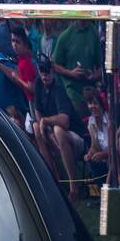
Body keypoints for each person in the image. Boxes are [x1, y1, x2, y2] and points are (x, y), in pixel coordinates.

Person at [32, 55, 86, 203]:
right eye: (42, 71)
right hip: (55, 137)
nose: (44, 75)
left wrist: (46, 121)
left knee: (58, 130)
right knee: (36, 127)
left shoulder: (58, 88)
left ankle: (74, 188)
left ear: (52, 71)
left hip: (77, 140)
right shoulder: (38, 84)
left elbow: (65, 121)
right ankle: (54, 182)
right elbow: (37, 112)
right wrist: (43, 124)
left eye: (47, 71)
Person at [51, 20, 102, 111]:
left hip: (90, 89)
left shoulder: (94, 32)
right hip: (72, 90)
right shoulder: (65, 36)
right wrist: (70, 73)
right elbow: (55, 65)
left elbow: (100, 65)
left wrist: (94, 76)